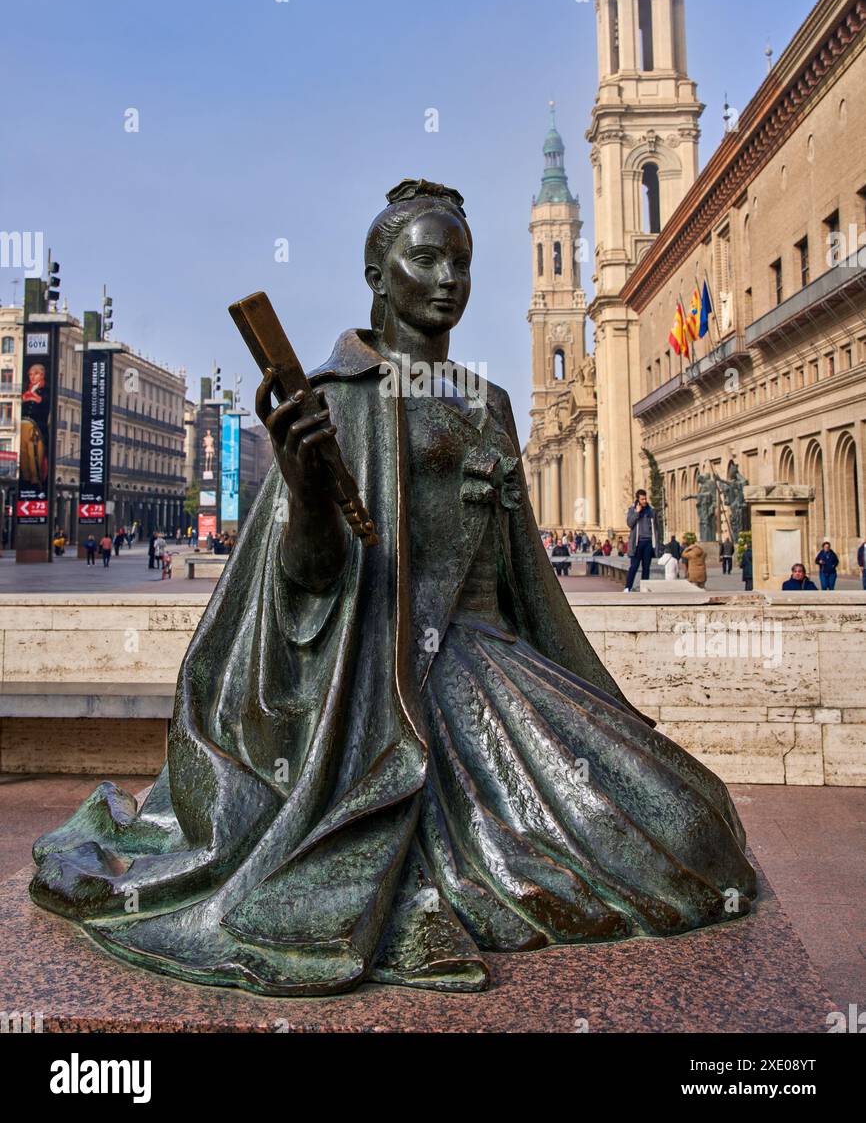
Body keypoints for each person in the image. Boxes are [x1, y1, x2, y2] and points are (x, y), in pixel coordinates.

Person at [31, 177, 754, 997]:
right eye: (426, 259)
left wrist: (595, 701)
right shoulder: (333, 399)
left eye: (462, 262)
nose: (449, 278)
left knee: (693, 824)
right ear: (378, 275)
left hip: (496, 665)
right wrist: (307, 490)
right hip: (381, 674)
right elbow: (304, 587)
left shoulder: (492, 405)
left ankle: (430, 886)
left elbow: (528, 577)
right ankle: (403, 892)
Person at [624, 489, 658, 592]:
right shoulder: (632, 509)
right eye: (642, 499)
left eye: (645, 498)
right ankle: (627, 587)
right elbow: (630, 523)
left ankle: (644, 587)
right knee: (634, 566)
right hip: (637, 543)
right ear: (638, 499)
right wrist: (636, 513)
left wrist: (657, 543)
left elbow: (656, 527)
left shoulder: (651, 510)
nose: (644, 501)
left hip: (648, 542)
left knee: (646, 567)